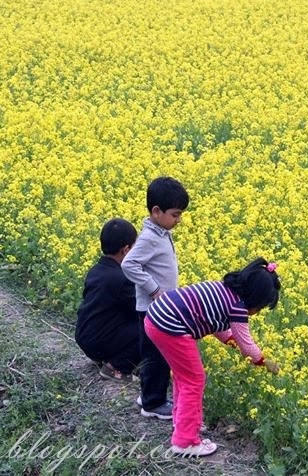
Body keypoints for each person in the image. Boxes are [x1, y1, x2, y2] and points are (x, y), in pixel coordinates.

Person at [144, 257, 281, 457]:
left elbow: (216, 326)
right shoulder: (237, 307)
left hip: (155, 318)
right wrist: (264, 362)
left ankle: (182, 424)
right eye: (259, 308)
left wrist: (232, 343)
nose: (257, 313)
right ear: (254, 298)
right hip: (170, 326)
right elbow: (247, 346)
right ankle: (185, 441)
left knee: (184, 377)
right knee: (194, 380)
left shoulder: (225, 291)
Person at [121, 176, 190, 420]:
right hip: (152, 309)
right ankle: (152, 403)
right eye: (175, 215)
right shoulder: (150, 237)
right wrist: (154, 290)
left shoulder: (159, 231)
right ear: (156, 211)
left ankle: (148, 395)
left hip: (159, 308)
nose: (178, 220)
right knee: (156, 357)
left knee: (156, 355)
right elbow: (128, 264)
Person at [75, 218, 141, 382]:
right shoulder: (121, 279)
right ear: (126, 250)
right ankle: (116, 368)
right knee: (149, 327)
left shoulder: (96, 270)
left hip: (85, 337)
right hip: (99, 342)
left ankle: (108, 357)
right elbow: (138, 309)